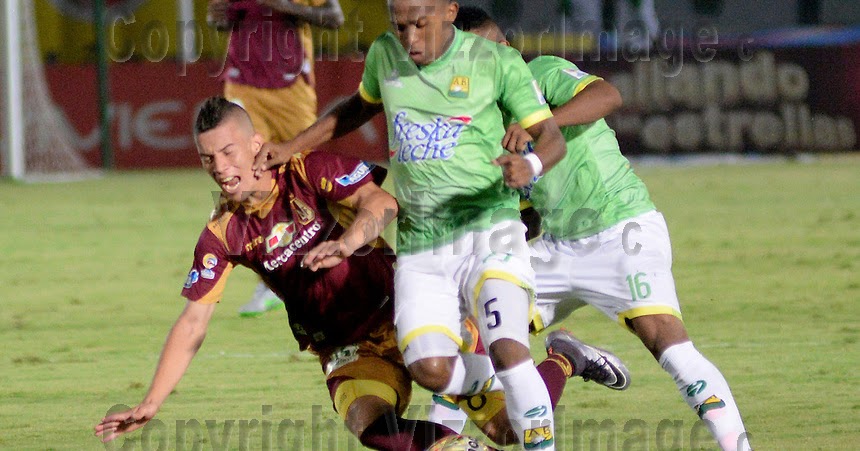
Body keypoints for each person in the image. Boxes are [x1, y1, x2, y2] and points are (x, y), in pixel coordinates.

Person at [254, 0, 575, 447]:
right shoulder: (386, 53)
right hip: (422, 245)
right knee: (430, 369)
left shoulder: (495, 61)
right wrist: (293, 146)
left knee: (506, 348)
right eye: (400, 26)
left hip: (490, 229)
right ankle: (534, 375)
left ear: (448, 11)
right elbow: (358, 107)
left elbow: (551, 136)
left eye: (419, 25)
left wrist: (532, 167)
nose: (409, 39)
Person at [430, 8, 753, 451]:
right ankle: (444, 440)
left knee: (669, 346)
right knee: (467, 333)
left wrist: (537, 124)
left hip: (621, 231)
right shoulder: (485, 128)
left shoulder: (541, 75)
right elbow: (527, 212)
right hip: (555, 249)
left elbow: (608, 95)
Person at [93, 97, 479, 450]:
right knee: (371, 426)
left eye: (228, 152)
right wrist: (151, 401)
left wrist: (345, 244)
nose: (221, 168)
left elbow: (380, 202)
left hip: (404, 312)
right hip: (347, 350)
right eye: (208, 158)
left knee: (505, 425)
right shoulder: (223, 232)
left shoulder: (305, 170)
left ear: (255, 143)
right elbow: (194, 321)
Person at [206, 0, 345, 317]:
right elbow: (219, 20)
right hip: (243, 83)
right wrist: (219, 16)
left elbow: (333, 19)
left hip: (291, 86)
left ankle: (324, 268)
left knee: (303, 176)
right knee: (248, 177)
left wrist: (280, 5)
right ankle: (270, 280)